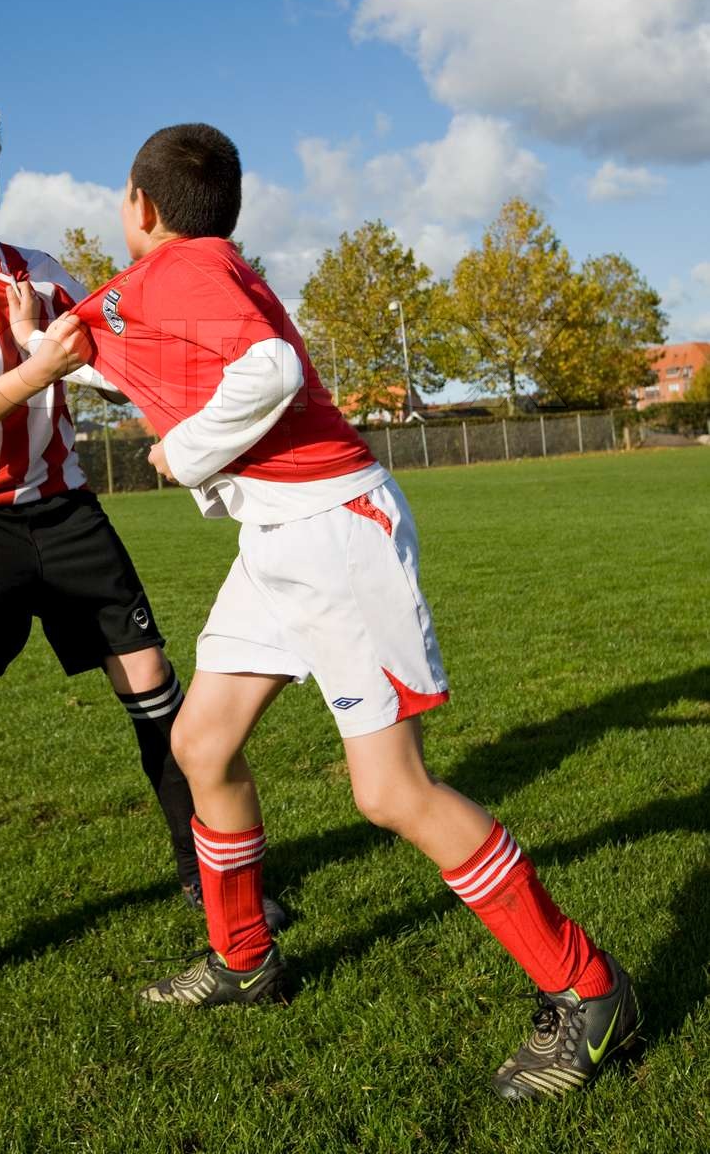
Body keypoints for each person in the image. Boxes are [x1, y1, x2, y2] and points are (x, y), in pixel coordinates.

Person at [73, 121, 641, 1103]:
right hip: (282, 539)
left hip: (331, 532)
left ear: (140, 208)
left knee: (387, 790)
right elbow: (93, 338)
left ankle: (588, 991)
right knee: (201, 743)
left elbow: (270, 374)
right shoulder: (192, 274)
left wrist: (185, 448)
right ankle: (244, 958)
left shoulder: (184, 270)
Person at [0, 94, 204, 993]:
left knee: (146, 677)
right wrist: (37, 365)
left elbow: (113, 359)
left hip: (62, 508)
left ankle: (202, 871)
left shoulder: (41, 268)